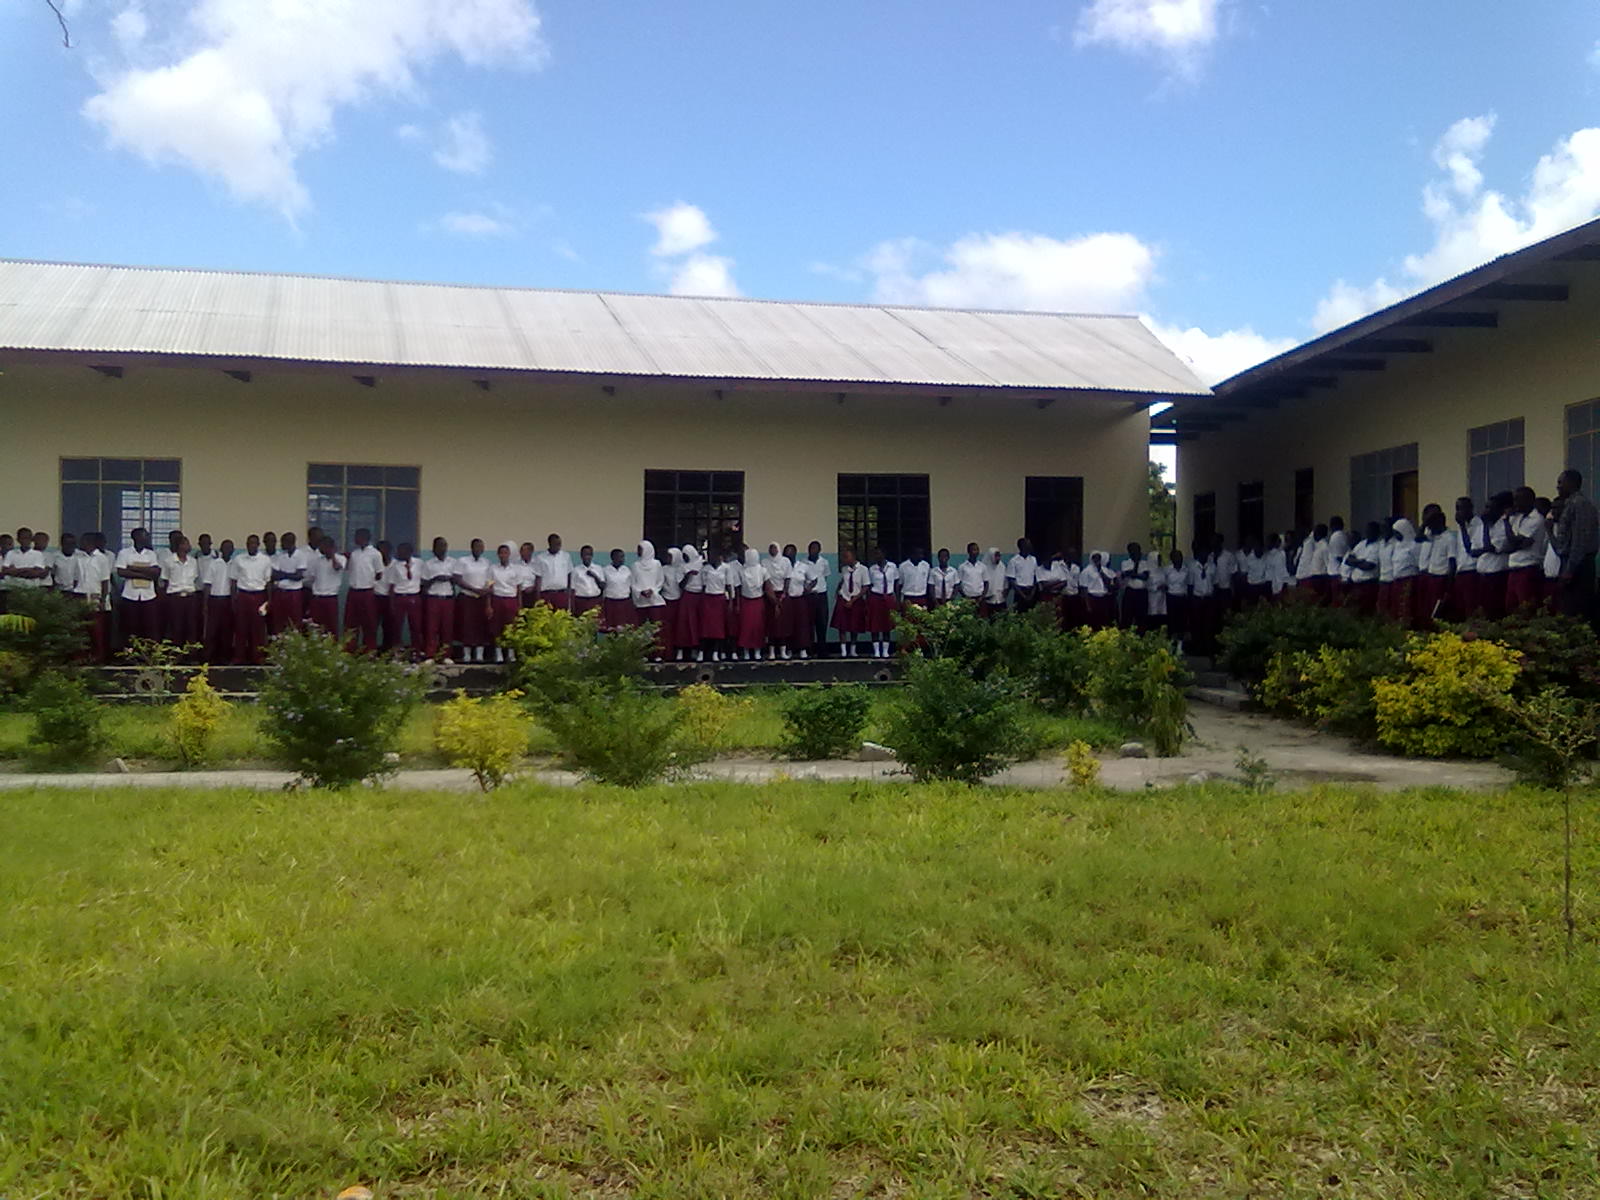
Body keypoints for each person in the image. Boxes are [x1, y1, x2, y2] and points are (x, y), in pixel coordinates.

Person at [1553, 469, 1599, 621]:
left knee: (1578, 609)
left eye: (1561, 482)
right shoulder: (1570, 503)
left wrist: (1569, 569)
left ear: (1571, 483)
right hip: (1570, 562)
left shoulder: (1580, 504)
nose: (1558, 486)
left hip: (1580, 564)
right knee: (1567, 608)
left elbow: (1580, 538)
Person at [228, 534, 272, 665]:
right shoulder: (238, 559)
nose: (251, 546)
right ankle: (239, 656)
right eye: (249, 543)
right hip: (243, 596)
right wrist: (233, 600)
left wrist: (269, 601)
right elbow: (233, 581)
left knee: (258, 628)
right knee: (241, 627)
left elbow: (268, 582)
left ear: (258, 545)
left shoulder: (265, 560)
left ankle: (257, 657)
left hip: (259, 596)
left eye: (254, 543)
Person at [114, 526, 162, 645]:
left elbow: (155, 573)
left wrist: (133, 568)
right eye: (144, 535)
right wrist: (145, 573)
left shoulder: (151, 554)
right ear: (135, 537)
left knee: (149, 628)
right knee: (130, 628)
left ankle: (148, 652)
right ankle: (130, 652)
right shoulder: (124, 553)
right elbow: (122, 572)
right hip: (130, 595)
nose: (147, 538)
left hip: (148, 595)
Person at [1504, 486, 1548, 614]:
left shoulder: (1536, 518)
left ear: (1529, 500)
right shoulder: (1517, 517)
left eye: (1518, 500)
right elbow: (1510, 542)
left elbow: (1516, 541)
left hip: (1527, 568)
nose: (1515, 504)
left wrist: (1506, 521)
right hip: (1513, 568)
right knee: (1511, 608)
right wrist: (1514, 543)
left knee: (1526, 607)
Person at [74, 531, 111, 663]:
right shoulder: (79, 557)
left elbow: (105, 581)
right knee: (81, 628)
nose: (80, 543)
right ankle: (82, 655)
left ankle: (98, 655)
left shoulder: (102, 558)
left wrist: (103, 600)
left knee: (96, 629)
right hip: (80, 594)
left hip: (96, 595)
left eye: (83, 541)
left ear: (90, 543)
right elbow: (76, 578)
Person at [344, 529, 384, 652]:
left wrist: (369, 581)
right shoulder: (354, 554)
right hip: (353, 591)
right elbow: (350, 570)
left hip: (367, 592)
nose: (355, 539)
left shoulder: (375, 554)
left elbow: (379, 573)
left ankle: (369, 649)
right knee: (351, 622)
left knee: (369, 622)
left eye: (358, 536)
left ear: (365, 538)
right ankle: (350, 649)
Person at [454, 538, 493, 662]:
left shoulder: (487, 562)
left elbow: (490, 580)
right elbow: (457, 579)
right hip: (467, 597)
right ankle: (466, 654)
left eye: (481, 547)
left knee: (481, 625)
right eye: (477, 547)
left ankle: (479, 654)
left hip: (481, 598)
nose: (479, 549)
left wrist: (486, 590)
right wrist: (473, 589)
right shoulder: (462, 561)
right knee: (467, 625)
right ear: (472, 548)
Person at [1418, 508, 1458, 628]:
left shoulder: (1449, 538)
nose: (1429, 529)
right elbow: (1418, 537)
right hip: (1430, 577)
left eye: (1431, 525)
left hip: (1441, 579)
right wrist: (1424, 524)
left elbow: (1452, 563)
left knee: (1437, 611)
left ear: (1439, 522)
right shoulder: (1432, 536)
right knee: (1427, 610)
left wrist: (1448, 588)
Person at [420, 538, 459, 661]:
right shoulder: (428, 564)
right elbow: (424, 583)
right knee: (432, 627)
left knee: (447, 628)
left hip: (448, 598)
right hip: (433, 597)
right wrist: (435, 578)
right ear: (434, 548)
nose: (442, 549)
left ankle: (446, 655)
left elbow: (457, 580)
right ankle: (430, 655)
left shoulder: (453, 562)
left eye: (444, 546)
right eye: (439, 546)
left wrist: (449, 578)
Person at [162, 536, 202, 651]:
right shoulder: (169, 561)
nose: (189, 546)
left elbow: (195, 578)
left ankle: (191, 654)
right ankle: (177, 653)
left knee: (192, 626)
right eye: (186, 543)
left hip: (190, 597)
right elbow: (165, 580)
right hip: (175, 598)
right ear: (180, 546)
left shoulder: (193, 562)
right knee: (176, 626)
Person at [382, 543, 422, 656]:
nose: (399, 553)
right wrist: (391, 604)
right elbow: (391, 586)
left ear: (409, 552)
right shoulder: (395, 566)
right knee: (397, 626)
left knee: (415, 625)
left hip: (414, 596)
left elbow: (424, 580)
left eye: (402, 551)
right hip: (400, 597)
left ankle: (416, 651)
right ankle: (397, 651)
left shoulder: (419, 563)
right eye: (399, 551)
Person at [1477, 492, 1513, 620]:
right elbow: (1475, 549)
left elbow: (1489, 546)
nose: (1486, 511)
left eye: (1489, 508)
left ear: (1499, 510)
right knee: (1483, 612)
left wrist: (1485, 526)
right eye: (1485, 507)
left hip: (1497, 575)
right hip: (1483, 575)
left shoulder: (1503, 526)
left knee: (1495, 611)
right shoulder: (1485, 526)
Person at [487, 542, 525, 660]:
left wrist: (519, 605)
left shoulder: (516, 569)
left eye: (505, 553)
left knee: (511, 626)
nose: (503, 555)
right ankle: (499, 653)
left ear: (509, 554)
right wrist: (488, 605)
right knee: (497, 626)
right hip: (497, 598)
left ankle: (511, 652)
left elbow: (519, 588)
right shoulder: (493, 568)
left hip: (511, 599)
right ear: (498, 555)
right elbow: (489, 587)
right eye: (501, 553)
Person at [731, 547, 769, 661]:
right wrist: (738, 604)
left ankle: (757, 651)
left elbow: (767, 586)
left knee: (758, 627)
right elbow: (738, 588)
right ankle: (746, 651)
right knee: (745, 628)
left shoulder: (762, 570)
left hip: (758, 601)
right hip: (745, 601)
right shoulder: (741, 571)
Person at [831, 548, 870, 656]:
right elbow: (843, 581)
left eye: (846, 557)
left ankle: (853, 649)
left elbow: (865, 587)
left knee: (854, 625)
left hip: (856, 598)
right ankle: (843, 650)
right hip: (844, 597)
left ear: (853, 557)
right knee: (841, 625)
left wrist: (853, 600)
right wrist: (838, 591)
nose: (844, 559)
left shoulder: (863, 569)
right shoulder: (844, 569)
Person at [201, 538, 234, 665]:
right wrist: (205, 604)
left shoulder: (235, 564)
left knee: (226, 630)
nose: (227, 550)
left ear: (233, 550)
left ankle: (224, 657)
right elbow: (207, 584)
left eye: (230, 548)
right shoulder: (214, 563)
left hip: (228, 600)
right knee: (212, 630)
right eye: (225, 548)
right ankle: (208, 657)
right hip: (214, 600)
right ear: (221, 549)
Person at [631, 541, 666, 657]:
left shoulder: (657, 564)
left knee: (656, 629)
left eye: (640, 549)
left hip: (655, 601)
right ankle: (644, 654)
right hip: (641, 602)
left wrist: (653, 591)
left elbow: (660, 581)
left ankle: (657, 655)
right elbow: (633, 582)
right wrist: (640, 592)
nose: (638, 551)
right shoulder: (635, 565)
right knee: (642, 630)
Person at [269, 531, 308, 635]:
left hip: (294, 593)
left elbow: (298, 576)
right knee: (279, 621)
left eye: (283, 542)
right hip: (280, 592)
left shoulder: (301, 555)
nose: (281, 545)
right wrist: (290, 574)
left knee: (294, 621)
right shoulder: (280, 556)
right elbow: (274, 575)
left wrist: (283, 574)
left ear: (290, 542)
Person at [307, 537, 347, 637]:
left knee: (331, 625)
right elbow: (311, 577)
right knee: (316, 625)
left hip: (330, 597)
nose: (322, 549)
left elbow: (337, 567)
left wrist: (332, 555)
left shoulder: (341, 558)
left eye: (324, 546)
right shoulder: (317, 561)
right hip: (317, 596)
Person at [1451, 498, 1482, 621]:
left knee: (1471, 608)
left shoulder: (1479, 524)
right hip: (1460, 571)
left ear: (1470, 508)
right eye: (1457, 509)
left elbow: (1471, 549)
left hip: (1472, 571)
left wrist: (1463, 527)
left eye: (1461, 508)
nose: (1459, 512)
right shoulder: (1461, 526)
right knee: (1460, 609)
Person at [866, 547, 899, 659]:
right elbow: (869, 585)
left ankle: (885, 651)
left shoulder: (892, 567)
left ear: (884, 554)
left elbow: (896, 583)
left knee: (887, 624)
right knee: (875, 625)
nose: (877, 556)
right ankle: (876, 651)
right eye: (875, 554)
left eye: (879, 554)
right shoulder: (872, 569)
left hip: (888, 596)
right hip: (876, 597)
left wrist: (896, 599)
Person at [781, 542, 812, 659]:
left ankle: (803, 649)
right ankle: (789, 649)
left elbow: (813, 579)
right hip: (787, 599)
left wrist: (807, 589)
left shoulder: (802, 566)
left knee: (802, 625)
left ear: (795, 553)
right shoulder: (782, 567)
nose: (789, 555)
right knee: (788, 625)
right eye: (786, 553)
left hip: (800, 599)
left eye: (791, 553)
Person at [1344, 522, 1382, 615]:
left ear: (1377, 532)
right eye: (1367, 530)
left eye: (1370, 531)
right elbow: (1348, 560)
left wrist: (1355, 562)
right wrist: (1361, 561)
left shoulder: (1378, 546)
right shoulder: (1361, 544)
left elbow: (1369, 566)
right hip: (1355, 584)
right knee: (1353, 612)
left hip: (1369, 584)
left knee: (1366, 613)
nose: (1368, 533)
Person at [699, 549, 731, 661]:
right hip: (708, 599)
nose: (715, 558)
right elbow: (703, 586)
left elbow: (728, 585)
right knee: (705, 627)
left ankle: (716, 653)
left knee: (718, 628)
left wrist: (730, 602)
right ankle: (701, 653)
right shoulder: (705, 569)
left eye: (718, 556)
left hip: (719, 599)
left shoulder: (726, 568)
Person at [801, 542, 831, 649]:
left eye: (815, 548)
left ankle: (822, 649)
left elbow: (825, 577)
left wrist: (820, 587)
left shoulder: (824, 562)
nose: (812, 550)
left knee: (822, 622)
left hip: (821, 595)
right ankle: (809, 649)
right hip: (809, 595)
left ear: (819, 550)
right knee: (809, 623)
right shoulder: (803, 562)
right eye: (811, 548)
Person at [762, 544, 790, 660]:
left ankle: (783, 651)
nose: (772, 550)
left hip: (782, 595)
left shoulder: (785, 561)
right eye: (770, 548)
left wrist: (784, 594)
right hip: (770, 596)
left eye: (774, 548)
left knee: (782, 624)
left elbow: (788, 578)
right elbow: (765, 581)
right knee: (771, 624)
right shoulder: (764, 562)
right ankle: (771, 651)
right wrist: (772, 598)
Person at [679, 545, 705, 660]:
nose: (684, 557)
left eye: (686, 555)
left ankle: (697, 650)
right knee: (684, 623)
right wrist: (688, 574)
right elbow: (681, 585)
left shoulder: (702, 564)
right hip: (688, 595)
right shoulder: (683, 566)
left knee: (698, 623)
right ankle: (683, 649)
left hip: (699, 596)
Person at [534, 534, 573, 611]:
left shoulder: (566, 556)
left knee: (562, 616)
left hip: (561, 594)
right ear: (550, 543)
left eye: (560, 544)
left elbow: (569, 574)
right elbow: (538, 577)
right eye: (556, 544)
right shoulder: (540, 558)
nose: (559, 546)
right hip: (546, 594)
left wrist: (568, 593)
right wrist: (538, 597)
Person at [601, 548, 635, 632]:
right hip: (610, 602)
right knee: (611, 628)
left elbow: (631, 585)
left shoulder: (627, 570)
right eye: (620, 557)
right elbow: (602, 585)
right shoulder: (605, 570)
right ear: (613, 558)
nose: (622, 559)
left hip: (624, 602)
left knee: (624, 628)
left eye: (623, 557)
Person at [661, 547, 685, 660]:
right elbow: (661, 582)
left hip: (679, 600)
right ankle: (667, 651)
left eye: (670, 556)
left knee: (679, 626)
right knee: (667, 626)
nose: (668, 558)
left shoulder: (681, 569)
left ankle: (680, 650)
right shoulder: (663, 569)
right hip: (667, 599)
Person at [1119, 541, 1151, 627]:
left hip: (1142, 592)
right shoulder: (1125, 563)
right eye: (1134, 551)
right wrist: (1136, 570)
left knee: (1142, 617)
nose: (1137, 553)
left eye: (1138, 550)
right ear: (1130, 552)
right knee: (1127, 616)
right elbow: (1127, 574)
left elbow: (1145, 576)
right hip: (1130, 592)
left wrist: (1134, 574)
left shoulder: (1145, 563)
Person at [1081, 551, 1113, 628]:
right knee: (1093, 621)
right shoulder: (1086, 571)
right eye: (1095, 558)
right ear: (1092, 559)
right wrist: (1088, 605)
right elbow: (1084, 588)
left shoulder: (1104, 570)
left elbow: (1108, 583)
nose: (1097, 560)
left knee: (1103, 621)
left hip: (1103, 598)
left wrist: (1101, 572)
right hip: (1092, 598)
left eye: (1099, 558)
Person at [1006, 538, 1040, 612]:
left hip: (1031, 591)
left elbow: (1035, 577)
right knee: (1019, 613)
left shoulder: (1033, 559)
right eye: (1028, 544)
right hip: (1020, 591)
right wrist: (1023, 595)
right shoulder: (1014, 561)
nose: (1030, 546)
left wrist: (1032, 593)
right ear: (1022, 546)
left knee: (1031, 614)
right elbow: (1011, 580)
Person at [571, 546, 605, 619]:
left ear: (592, 555)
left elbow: (602, 586)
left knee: (595, 622)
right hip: (581, 601)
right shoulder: (576, 570)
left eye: (589, 554)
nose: (587, 557)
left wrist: (595, 576)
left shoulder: (598, 568)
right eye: (585, 554)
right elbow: (572, 588)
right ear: (581, 556)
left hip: (595, 600)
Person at [373, 540, 395, 651]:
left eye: (384, 550)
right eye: (379, 551)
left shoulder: (395, 564)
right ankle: (371, 650)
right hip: (375, 597)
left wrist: (392, 602)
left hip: (390, 598)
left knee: (389, 627)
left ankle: (387, 650)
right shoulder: (373, 564)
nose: (382, 553)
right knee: (372, 625)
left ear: (389, 551)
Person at [1164, 549, 1189, 647]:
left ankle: (1181, 645)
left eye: (1180, 556)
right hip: (1171, 598)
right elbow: (1163, 583)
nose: (1179, 559)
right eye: (1176, 557)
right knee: (1172, 622)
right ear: (1172, 559)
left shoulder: (1186, 569)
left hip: (1183, 598)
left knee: (1182, 622)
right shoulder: (1167, 570)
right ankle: (1171, 644)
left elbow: (1188, 583)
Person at [981, 547, 1007, 618]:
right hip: (987, 600)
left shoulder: (1002, 567)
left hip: (1000, 599)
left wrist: (1005, 591)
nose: (998, 558)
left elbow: (1005, 581)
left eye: (999, 556)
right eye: (996, 556)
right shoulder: (984, 567)